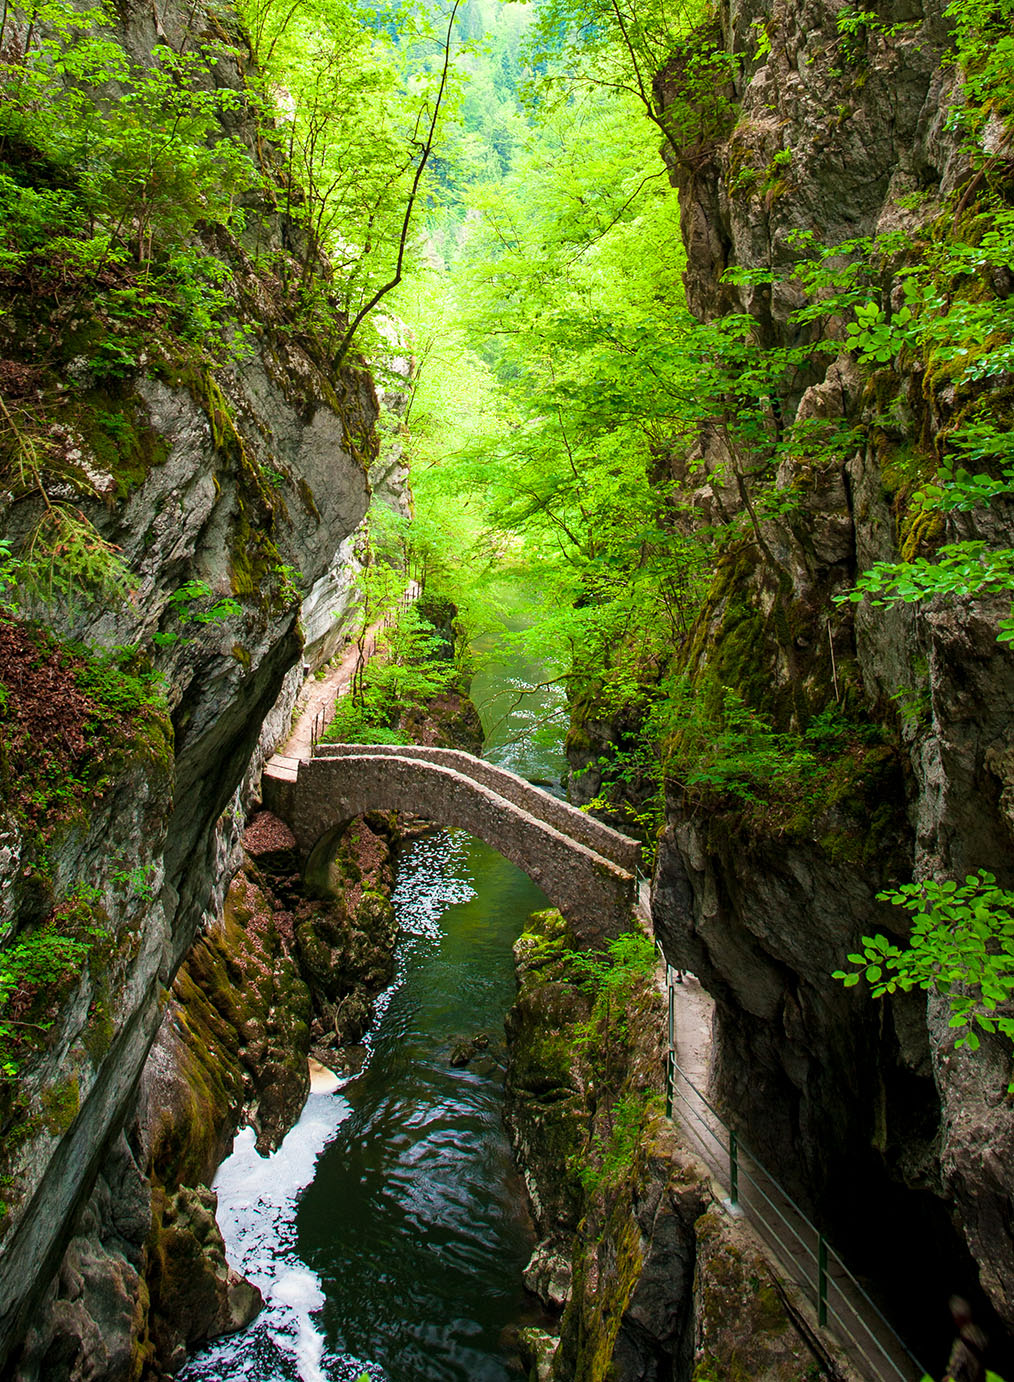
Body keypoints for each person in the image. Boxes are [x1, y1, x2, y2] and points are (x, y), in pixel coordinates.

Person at [942, 1296, 987, 1382]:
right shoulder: (980, 1332)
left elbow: (956, 1363)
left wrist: (948, 1376)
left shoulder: (961, 1342)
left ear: (957, 1317)